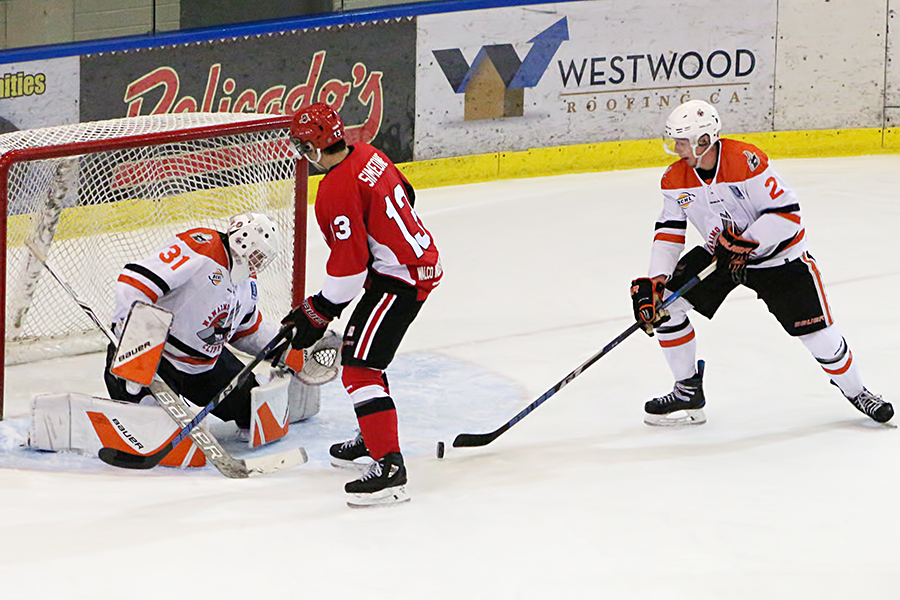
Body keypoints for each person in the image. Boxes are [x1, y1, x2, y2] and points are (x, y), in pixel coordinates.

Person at [631, 99, 892, 426]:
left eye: (681, 141)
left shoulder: (745, 162)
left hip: (777, 258)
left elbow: (787, 214)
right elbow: (669, 230)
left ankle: (857, 392)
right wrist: (655, 280)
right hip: (720, 259)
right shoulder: (674, 179)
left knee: (819, 337)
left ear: (703, 141)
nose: (675, 147)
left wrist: (747, 242)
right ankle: (687, 390)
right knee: (665, 307)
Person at [283, 102, 442, 508]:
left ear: (313, 147)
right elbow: (407, 193)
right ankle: (371, 438)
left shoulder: (334, 188)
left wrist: (318, 311)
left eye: (304, 147)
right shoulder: (369, 153)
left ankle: (389, 470)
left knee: (359, 369)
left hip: (401, 280)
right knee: (366, 358)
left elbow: (350, 270)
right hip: (412, 265)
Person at [104, 212, 310, 439]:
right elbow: (134, 283)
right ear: (243, 238)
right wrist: (131, 345)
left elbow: (247, 331)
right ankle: (136, 402)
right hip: (157, 359)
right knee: (156, 431)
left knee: (260, 413)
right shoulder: (201, 248)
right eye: (258, 253)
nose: (258, 262)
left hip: (205, 368)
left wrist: (286, 349)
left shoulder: (246, 283)